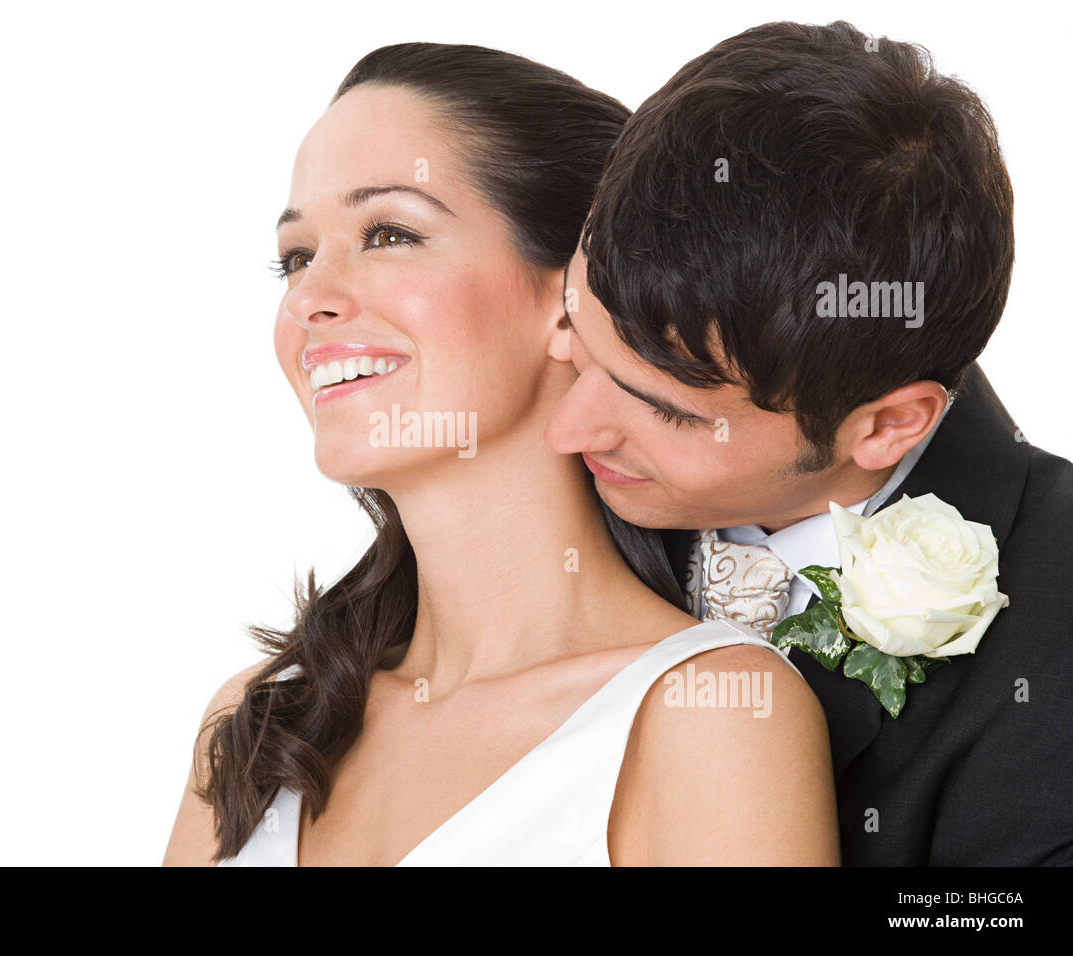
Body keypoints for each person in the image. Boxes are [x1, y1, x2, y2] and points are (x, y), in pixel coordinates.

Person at [163, 42, 839, 866]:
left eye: (387, 233)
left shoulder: (711, 713)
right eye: (296, 257)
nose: (308, 300)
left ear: (572, 303)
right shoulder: (257, 724)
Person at [545, 20, 1073, 865]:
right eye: (576, 332)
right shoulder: (524, 492)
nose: (565, 430)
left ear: (888, 425)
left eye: (667, 411)